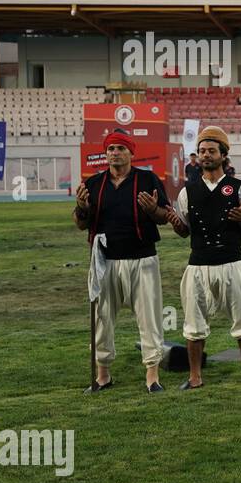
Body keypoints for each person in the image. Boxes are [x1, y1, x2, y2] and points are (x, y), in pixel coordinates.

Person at [72, 129, 173, 393]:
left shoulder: (147, 178)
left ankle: (152, 375)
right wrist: (82, 209)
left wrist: (153, 210)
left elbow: (165, 216)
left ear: (131, 153)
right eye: (110, 149)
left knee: (149, 318)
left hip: (142, 258)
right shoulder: (94, 184)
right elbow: (81, 223)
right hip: (105, 261)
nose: (115, 153)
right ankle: (103, 375)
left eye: (120, 149)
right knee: (102, 318)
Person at [165, 127, 241, 389]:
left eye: (211, 150)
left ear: (224, 154)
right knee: (194, 325)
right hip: (198, 266)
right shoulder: (188, 192)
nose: (206, 155)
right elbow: (185, 231)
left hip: (232, 263)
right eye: (202, 151)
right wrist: (176, 224)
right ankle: (195, 376)